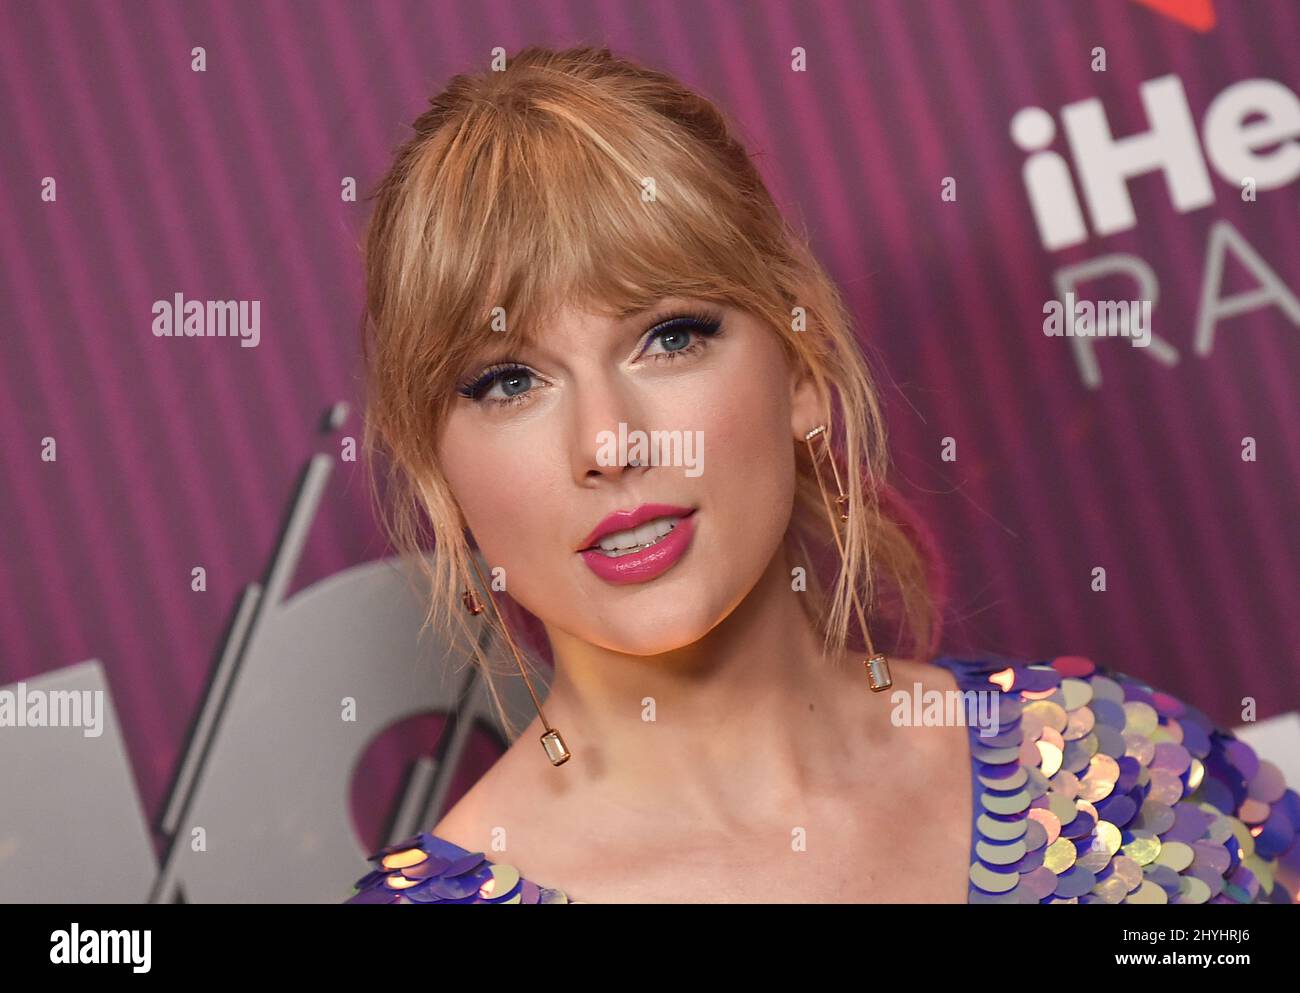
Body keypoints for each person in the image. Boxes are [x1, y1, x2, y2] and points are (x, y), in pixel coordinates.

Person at [345, 45, 1299, 905]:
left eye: (669, 336)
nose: (609, 442)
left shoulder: (1122, 784)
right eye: (508, 381)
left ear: (801, 367)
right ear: (437, 466)